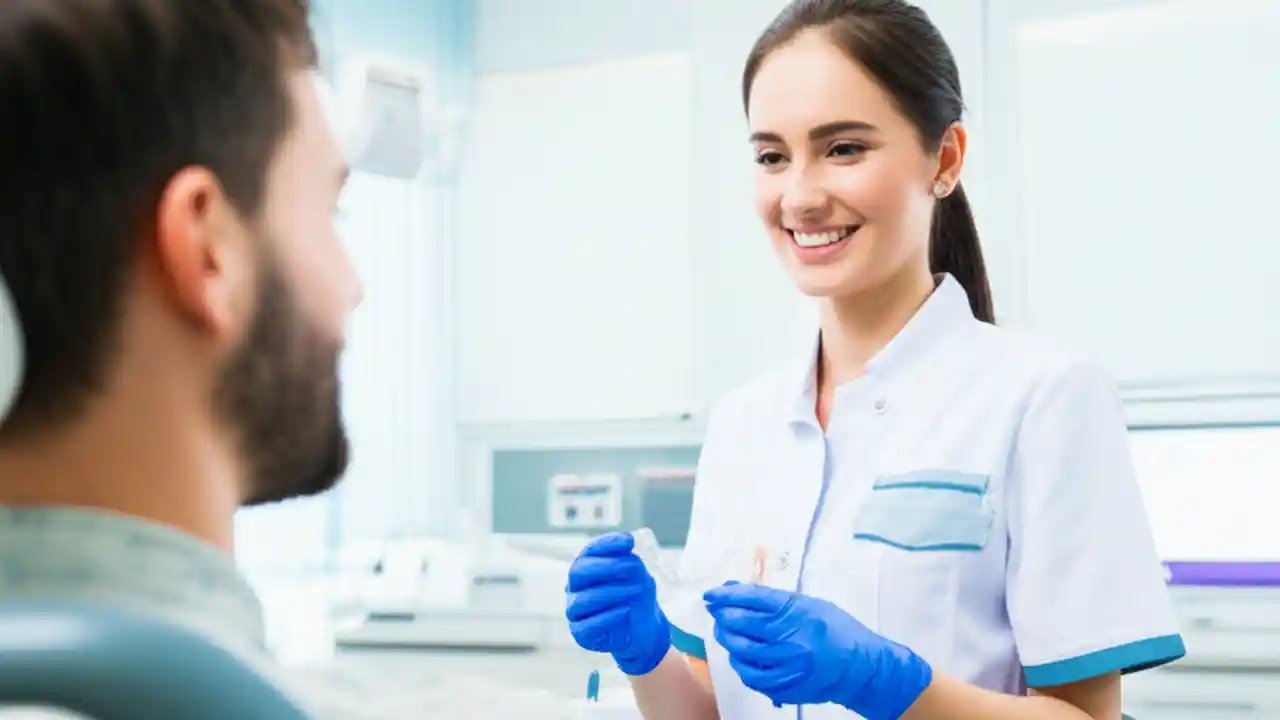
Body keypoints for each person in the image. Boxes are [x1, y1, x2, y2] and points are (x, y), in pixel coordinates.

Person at [564, 1, 1185, 718]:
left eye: (844, 149)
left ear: (945, 159)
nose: (800, 197)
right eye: (772, 157)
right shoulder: (742, 422)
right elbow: (711, 708)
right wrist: (646, 656)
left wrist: (889, 683)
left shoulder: (1043, 397)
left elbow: (1085, 715)